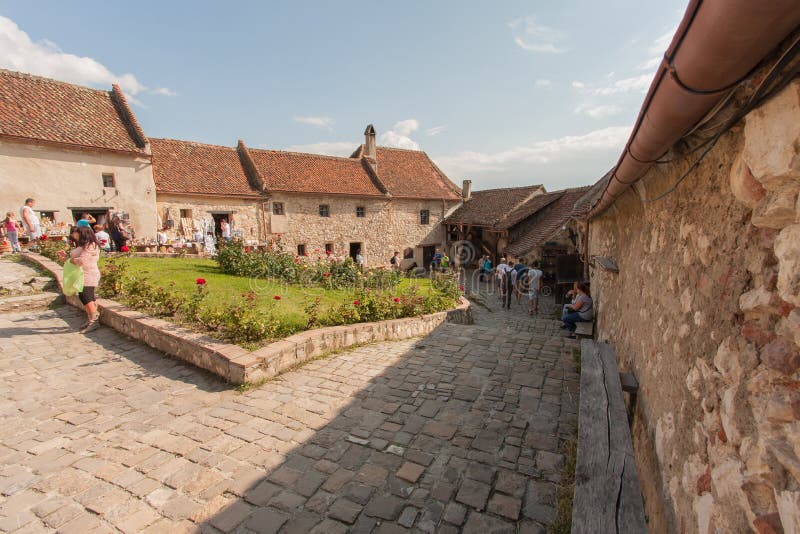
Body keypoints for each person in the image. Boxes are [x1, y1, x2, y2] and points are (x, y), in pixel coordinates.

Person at [57, 226, 101, 333]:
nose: (74, 235)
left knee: (86, 297)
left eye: (76, 233)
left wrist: (70, 260)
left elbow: (82, 260)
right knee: (84, 296)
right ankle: (91, 318)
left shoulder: (91, 245)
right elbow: (77, 257)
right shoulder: (84, 245)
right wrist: (67, 258)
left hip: (89, 274)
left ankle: (94, 321)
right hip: (82, 274)